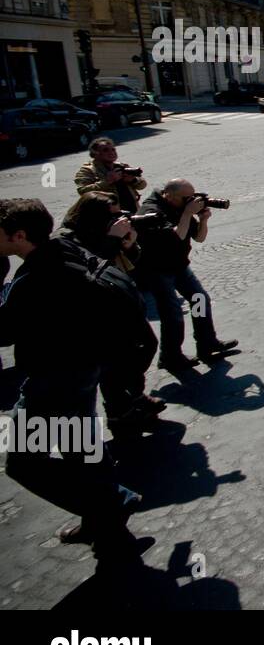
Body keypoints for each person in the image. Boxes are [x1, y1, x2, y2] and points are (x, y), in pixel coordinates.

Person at [0, 198, 143, 554]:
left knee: (23, 462)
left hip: (53, 379)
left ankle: (111, 504)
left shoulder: (35, 279)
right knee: (82, 448)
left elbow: (2, 333)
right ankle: (107, 530)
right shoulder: (63, 247)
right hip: (85, 367)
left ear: (18, 235)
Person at [61, 192, 164, 434]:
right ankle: (120, 412)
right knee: (113, 362)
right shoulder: (69, 239)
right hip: (99, 312)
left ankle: (134, 394)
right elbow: (90, 271)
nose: (119, 219)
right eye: (113, 215)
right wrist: (112, 239)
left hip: (124, 301)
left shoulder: (107, 232)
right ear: (94, 216)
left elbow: (132, 262)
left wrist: (129, 246)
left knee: (146, 345)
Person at [134, 180, 238, 373]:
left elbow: (198, 238)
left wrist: (204, 219)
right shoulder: (151, 211)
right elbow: (176, 237)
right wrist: (188, 213)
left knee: (199, 299)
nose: (191, 201)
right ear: (168, 195)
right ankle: (170, 356)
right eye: (186, 198)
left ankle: (207, 343)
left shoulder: (180, 206)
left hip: (179, 265)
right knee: (172, 314)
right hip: (157, 270)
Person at [75, 138, 148, 214]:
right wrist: (107, 181)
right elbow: (83, 192)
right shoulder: (87, 170)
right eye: (106, 150)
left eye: (113, 149)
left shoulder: (121, 166)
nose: (111, 152)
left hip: (133, 210)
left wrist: (133, 180)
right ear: (95, 154)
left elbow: (143, 185)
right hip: (107, 214)